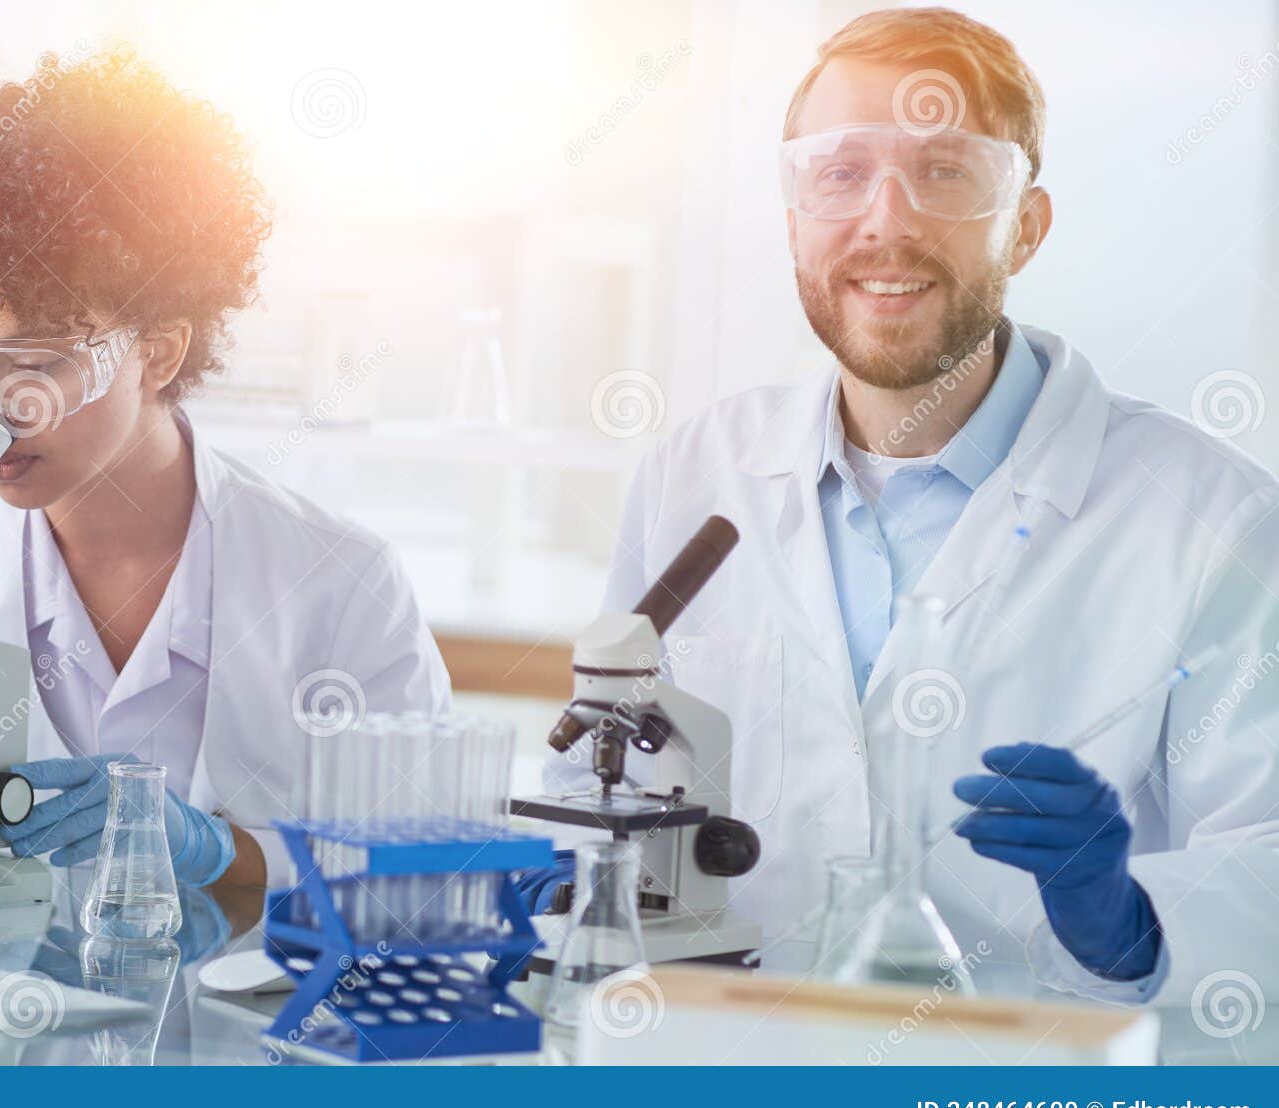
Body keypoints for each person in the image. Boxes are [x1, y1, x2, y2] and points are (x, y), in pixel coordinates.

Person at [533, 8, 1279, 1005]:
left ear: (1025, 226)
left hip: (1025, 1077)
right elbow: (608, 765)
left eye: (942, 171)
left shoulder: (1214, 519)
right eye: (841, 173)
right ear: (793, 220)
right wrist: (560, 875)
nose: (886, 222)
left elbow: (1267, 855)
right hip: (728, 1054)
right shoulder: (697, 469)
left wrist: (1127, 914)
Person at [0, 49, 450, 894]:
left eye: (33, 364)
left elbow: (423, 870)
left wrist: (224, 854)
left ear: (158, 352)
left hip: (233, 987)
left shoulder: (340, 583)